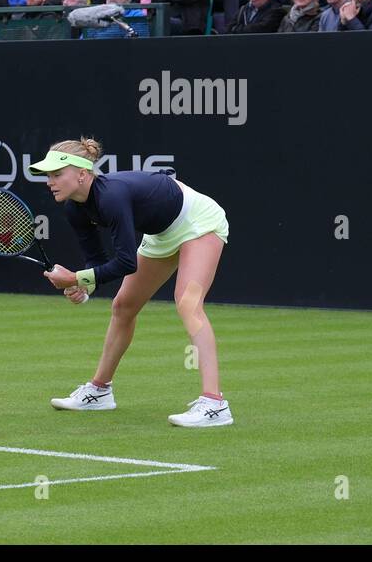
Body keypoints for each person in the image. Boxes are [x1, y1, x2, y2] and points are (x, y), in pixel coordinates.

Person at [35, 139, 232, 427]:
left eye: (56, 174)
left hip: (197, 221)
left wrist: (76, 277)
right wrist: (84, 287)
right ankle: (100, 390)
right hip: (161, 233)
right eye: (48, 176)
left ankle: (215, 404)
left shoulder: (111, 197)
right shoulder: (74, 209)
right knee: (123, 305)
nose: (49, 182)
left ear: (81, 173)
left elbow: (126, 262)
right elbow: (97, 261)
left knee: (188, 303)